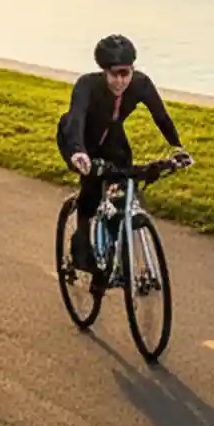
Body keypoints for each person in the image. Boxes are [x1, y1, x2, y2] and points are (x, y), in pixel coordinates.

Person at [56, 34, 192, 271]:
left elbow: (160, 116)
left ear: (132, 70)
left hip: (112, 137)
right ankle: (82, 245)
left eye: (125, 74)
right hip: (77, 138)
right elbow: (76, 117)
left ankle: (116, 242)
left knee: (127, 181)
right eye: (114, 74)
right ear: (104, 71)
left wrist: (177, 147)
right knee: (91, 189)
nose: (120, 81)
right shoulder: (87, 85)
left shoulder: (141, 84)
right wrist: (78, 151)